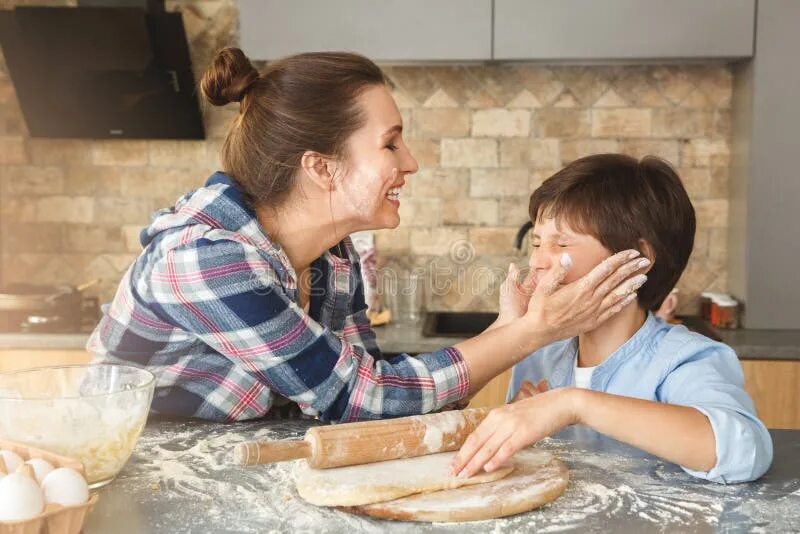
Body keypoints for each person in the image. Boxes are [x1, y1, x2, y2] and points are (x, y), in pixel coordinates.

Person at [87, 49, 645, 423]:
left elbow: (366, 397)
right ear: (322, 167)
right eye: (390, 143)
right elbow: (359, 399)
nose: (412, 162)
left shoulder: (332, 256)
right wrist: (531, 334)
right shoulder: (206, 261)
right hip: (139, 486)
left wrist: (509, 327)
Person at [452, 154, 773, 484]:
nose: (536, 262)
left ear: (639, 258)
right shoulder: (540, 354)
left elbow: (743, 451)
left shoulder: (681, 359)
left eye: (560, 243)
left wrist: (572, 405)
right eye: (536, 242)